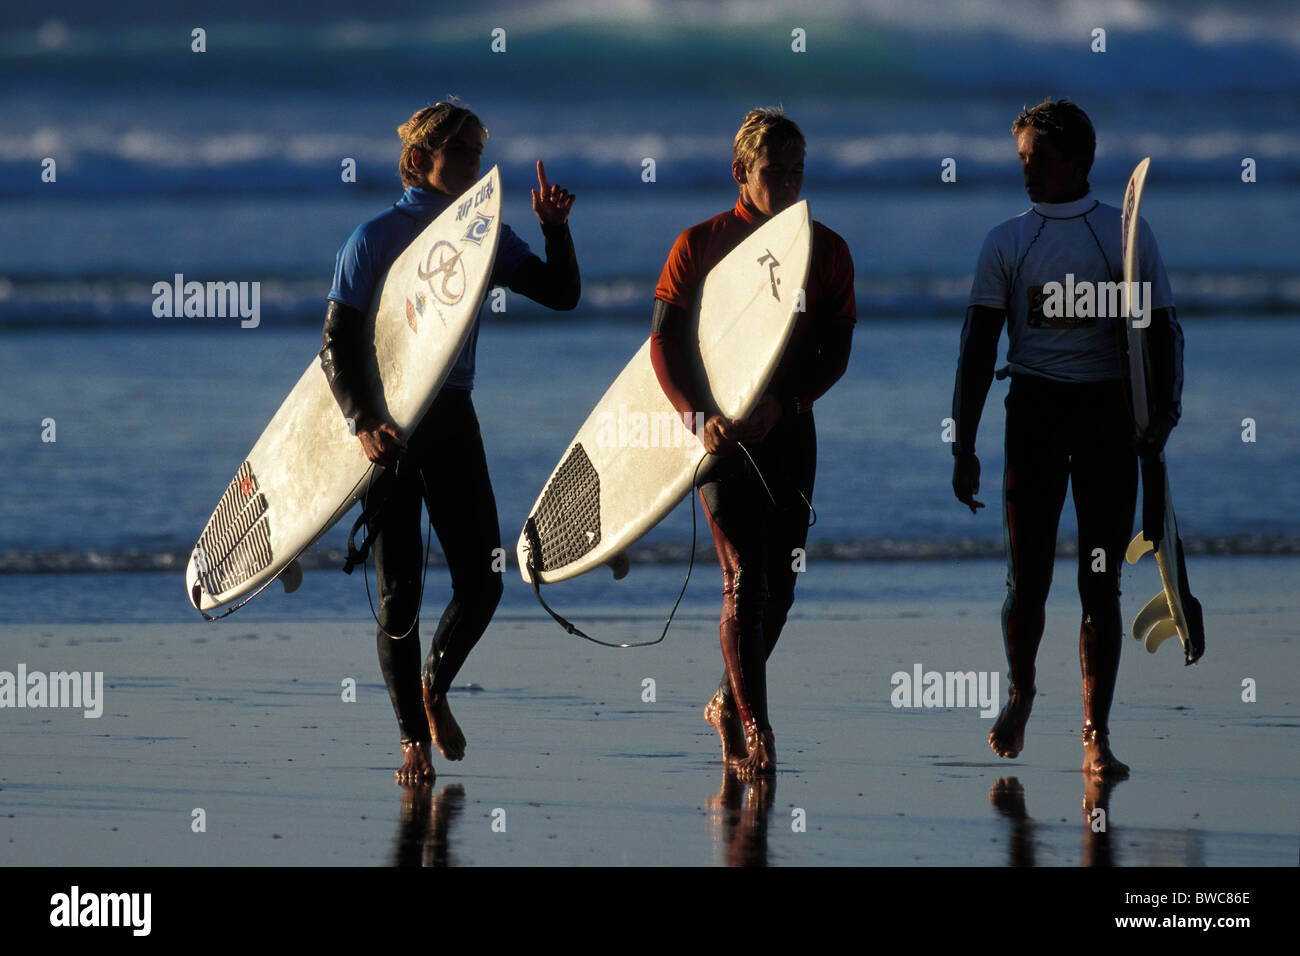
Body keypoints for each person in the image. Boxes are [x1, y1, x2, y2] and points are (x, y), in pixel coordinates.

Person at [321, 102, 580, 784]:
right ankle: (411, 739)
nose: (475, 164)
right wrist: (362, 422)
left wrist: (557, 232)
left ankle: (434, 686)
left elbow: (560, 293)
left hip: (453, 417)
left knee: (483, 581)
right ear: (419, 161)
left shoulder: (484, 235)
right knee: (400, 593)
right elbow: (336, 346)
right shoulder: (373, 239)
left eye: (477, 152)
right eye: (463, 153)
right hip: (388, 429)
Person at [950, 98, 1183, 778]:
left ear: (1078, 160)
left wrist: (1162, 416)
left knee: (1099, 584)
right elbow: (975, 348)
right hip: (1035, 414)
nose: (1028, 171)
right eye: (1022, 159)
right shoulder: (1007, 240)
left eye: (1041, 159)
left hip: (1112, 418)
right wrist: (962, 444)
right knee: (1028, 581)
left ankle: (1094, 734)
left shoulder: (1126, 235)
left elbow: (1163, 329)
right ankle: (1022, 690)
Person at [650, 108, 856, 778]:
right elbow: (665, 343)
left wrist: (790, 403)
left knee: (782, 583)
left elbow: (837, 347)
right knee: (742, 578)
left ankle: (724, 701)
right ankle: (758, 729)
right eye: (775, 171)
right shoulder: (699, 244)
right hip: (718, 434)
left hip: (789, 428)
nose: (790, 183)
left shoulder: (826, 251)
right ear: (741, 173)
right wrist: (695, 415)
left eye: (799, 170)